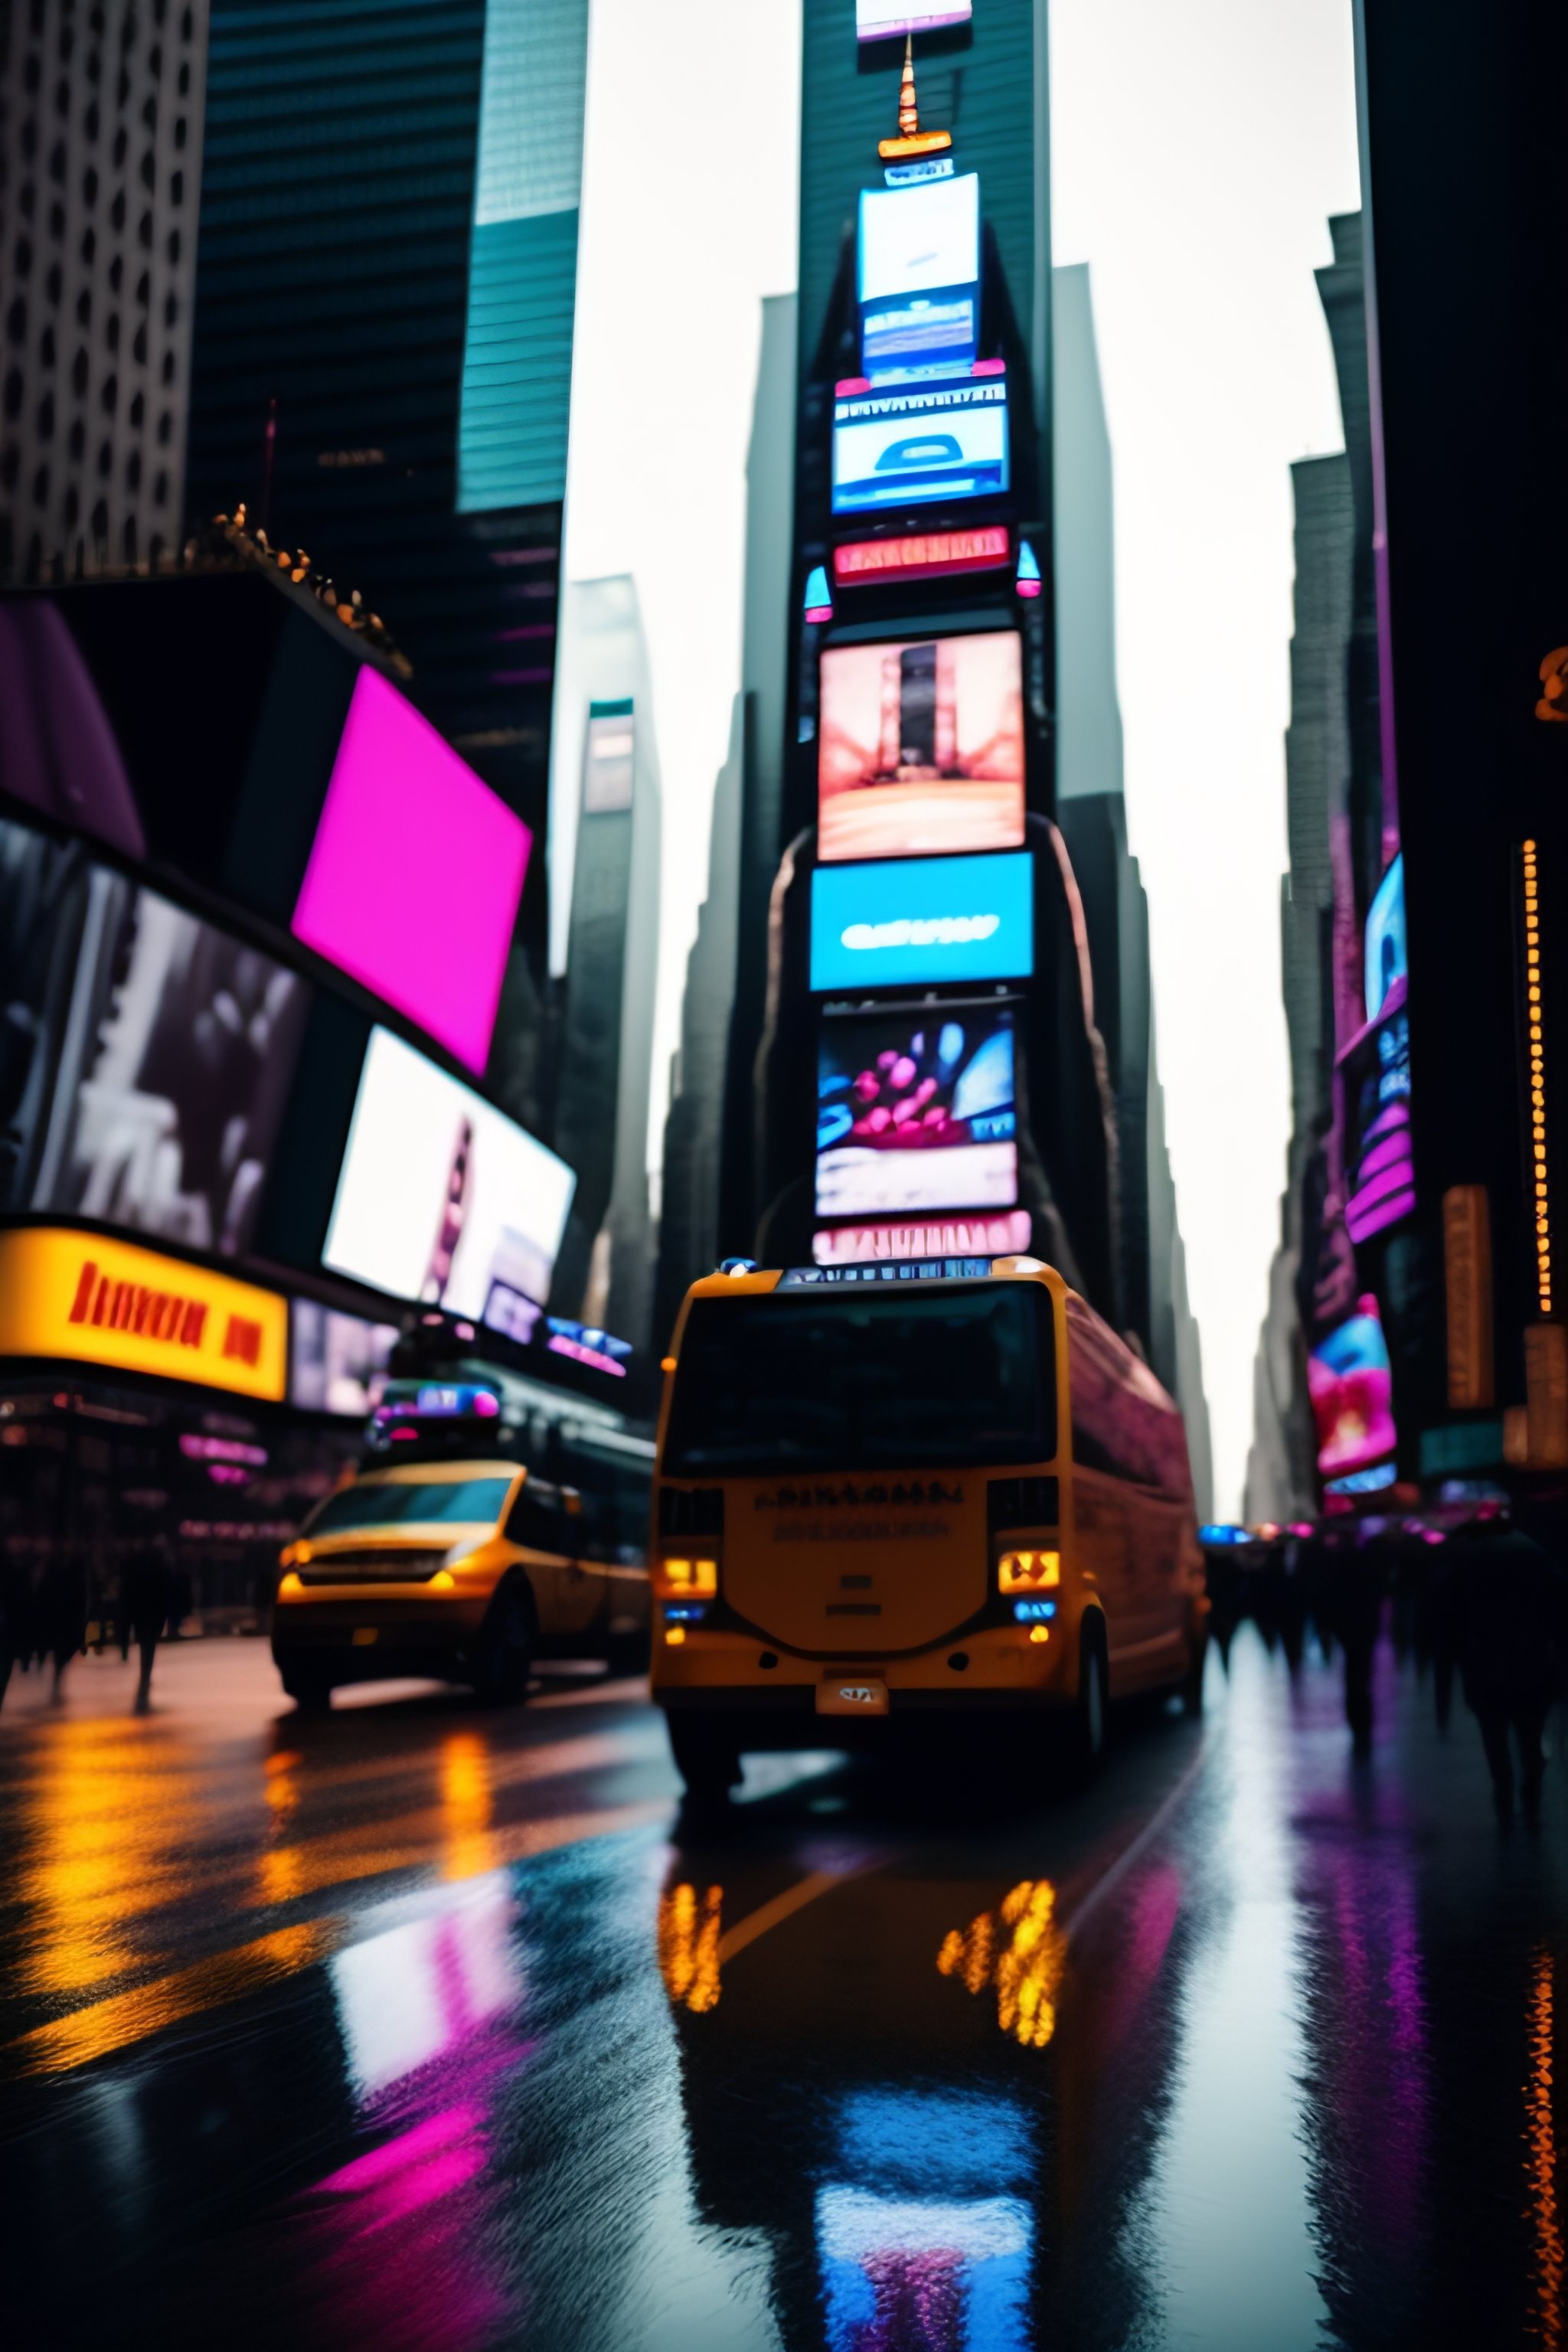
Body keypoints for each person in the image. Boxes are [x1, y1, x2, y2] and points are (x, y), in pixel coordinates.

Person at [1444, 1508, 1568, 1822]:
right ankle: (1532, 1792)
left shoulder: (1468, 1557)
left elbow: (1450, 1612)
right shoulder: (1534, 1552)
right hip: (1531, 1658)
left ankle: (1503, 1794)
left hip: (1484, 1659)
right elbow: (1558, 1607)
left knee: (1493, 1734)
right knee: (1530, 1734)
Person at [117, 1512, 175, 1715]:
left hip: (141, 1609)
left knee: (146, 1644)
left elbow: (127, 1588)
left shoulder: (134, 1560)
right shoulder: (158, 1561)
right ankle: (145, 1680)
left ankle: (144, 1680)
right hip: (152, 1610)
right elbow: (167, 1586)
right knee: (149, 1646)